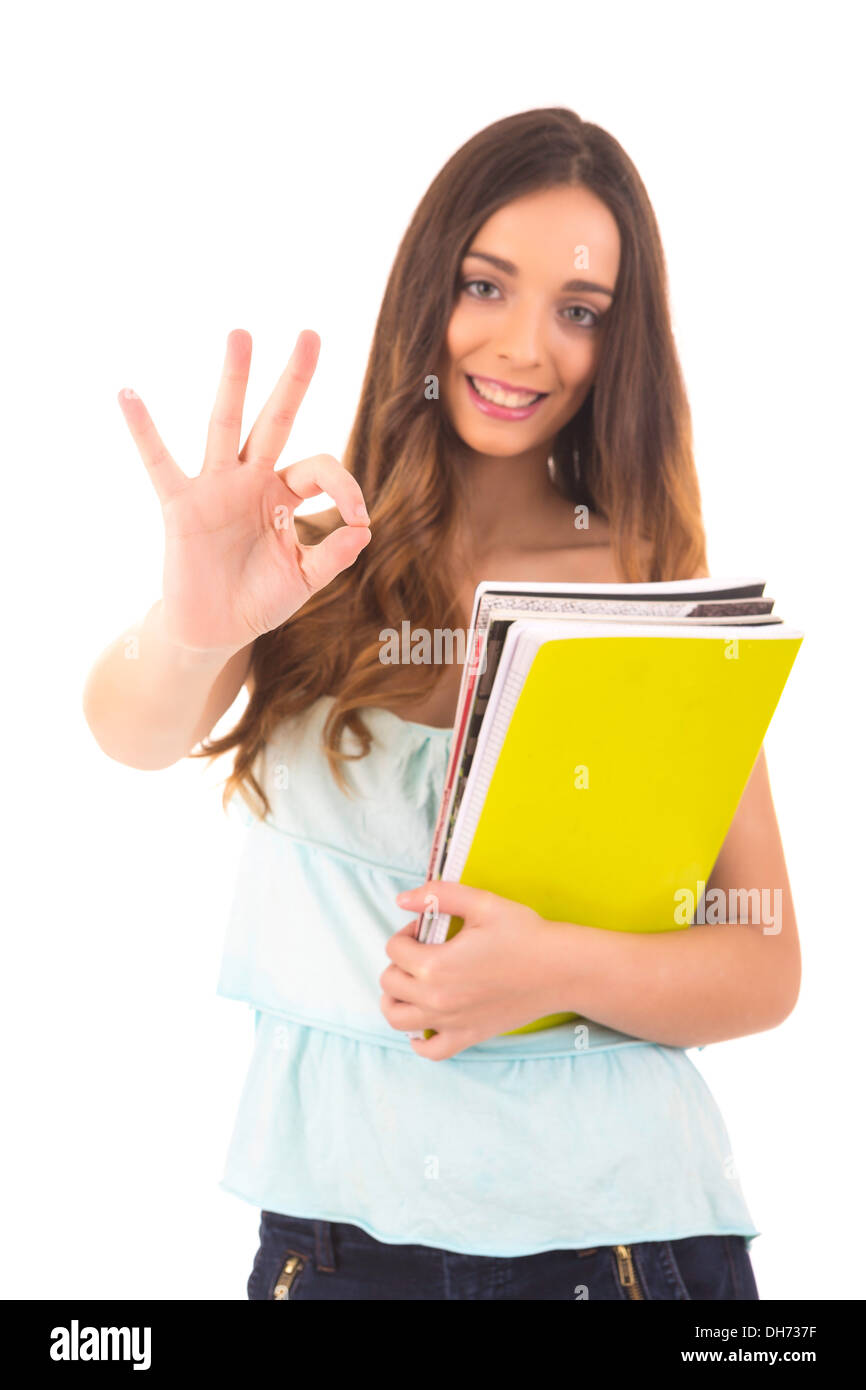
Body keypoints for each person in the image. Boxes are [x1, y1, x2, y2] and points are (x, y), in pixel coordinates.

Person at [82, 107, 799, 1300]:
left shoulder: (640, 585)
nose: (524, 346)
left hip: (617, 1245)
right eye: (485, 285)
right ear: (428, 291)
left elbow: (763, 959)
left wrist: (549, 968)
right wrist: (194, 624)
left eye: (578, 311)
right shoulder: (302, 546)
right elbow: (129, 730)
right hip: (332, 1250)